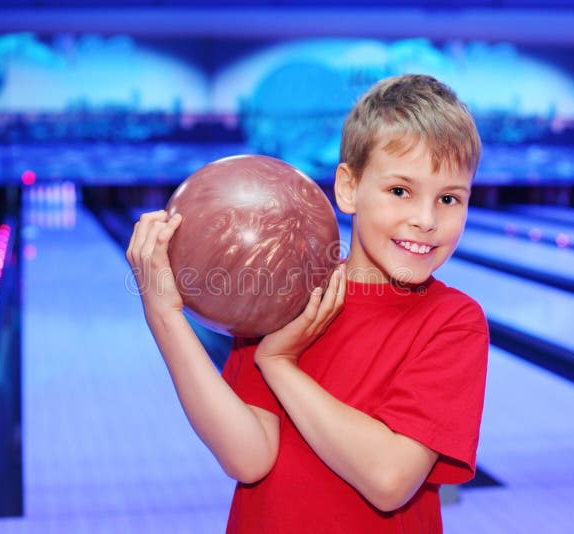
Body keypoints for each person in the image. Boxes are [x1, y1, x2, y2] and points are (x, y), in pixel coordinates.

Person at [126, 73, 488, 533]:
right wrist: (164, 314)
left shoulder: (452, 321)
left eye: (450, 198)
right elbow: (248, 459)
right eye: (400, 190)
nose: (425, 219)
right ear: (348, 188)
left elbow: (389, 479)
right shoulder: (281, 289)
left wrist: (279, 363)